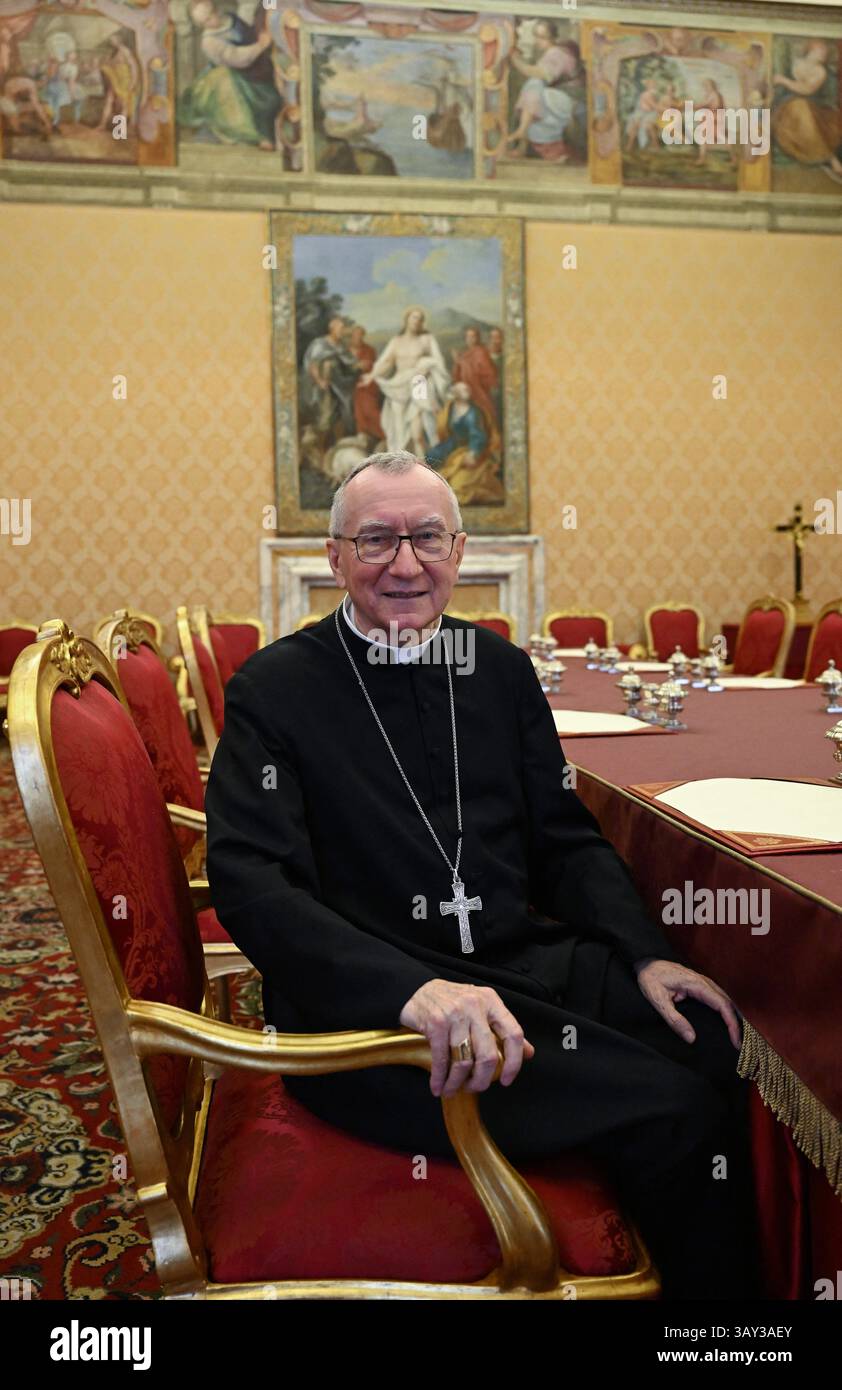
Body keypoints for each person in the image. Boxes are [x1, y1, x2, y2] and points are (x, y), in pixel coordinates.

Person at [205, 451, 759, 1300]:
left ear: (458, 552)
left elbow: (563, 838)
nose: (405, 564)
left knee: (712, 1039)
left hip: (518, 966)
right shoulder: (274, 690)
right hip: (380, 1020)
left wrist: (645, 954)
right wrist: (408, 990)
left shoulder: (496, 669)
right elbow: (254, 883)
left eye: (427, 538)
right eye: (377, 540)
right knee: (672, 1112)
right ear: (335, 556)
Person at [360, 306, 450, 455]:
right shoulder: (396, 341)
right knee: (399, 432)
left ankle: (423, 468)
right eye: (414, 317)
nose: (417, 321)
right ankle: (400, 469)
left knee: (418, 434)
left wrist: (428, 365)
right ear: (406, 319)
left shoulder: (426, 339)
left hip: (419, 384)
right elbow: (387, 362)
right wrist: (371, 376)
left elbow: (438, 361)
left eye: (420, 319)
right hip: (399, 386)